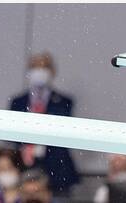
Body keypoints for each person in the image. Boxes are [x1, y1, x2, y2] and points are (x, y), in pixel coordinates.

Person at [8, 53, 80, 196]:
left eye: (44, 67)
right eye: (35, 66)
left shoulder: (64, 101)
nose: (39, 71)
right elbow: (10, 134)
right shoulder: (18, 102)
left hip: (57, 170)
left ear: (52, 71)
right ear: (28, 71)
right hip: (24, 167)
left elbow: (63, 132)